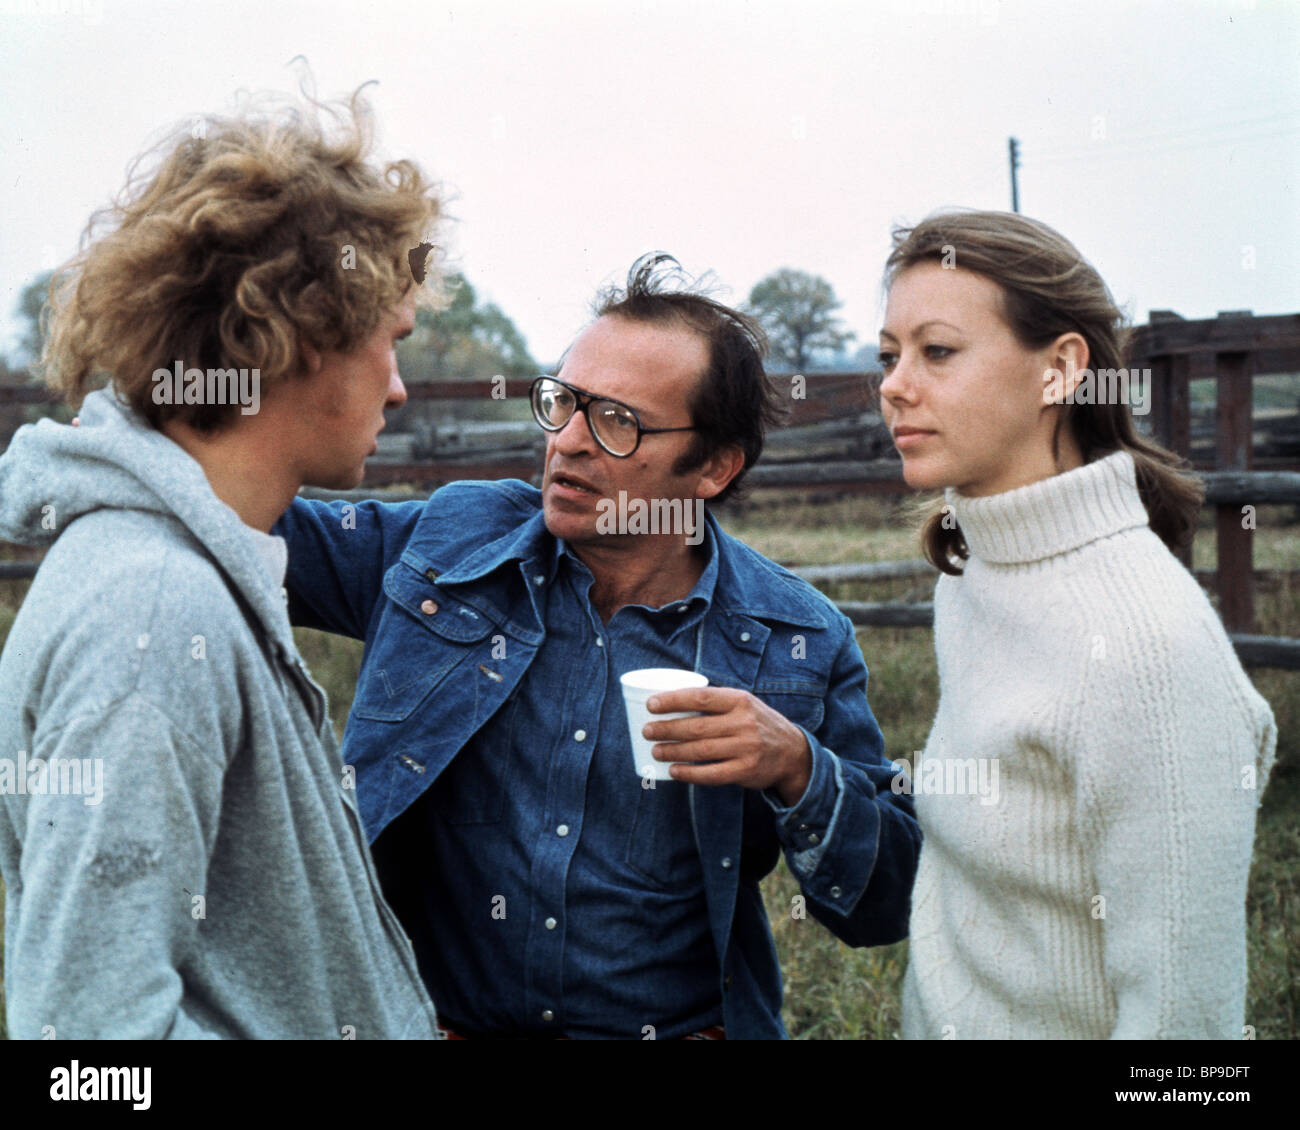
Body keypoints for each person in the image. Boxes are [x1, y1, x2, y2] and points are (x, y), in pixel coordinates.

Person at [273, 253, 922, 1039]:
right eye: (563, 404)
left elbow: (887, 899)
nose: (569, 443)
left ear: (713, 466)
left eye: (617, 421)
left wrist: (798, 769)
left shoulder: (799, 640)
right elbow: (245, 519)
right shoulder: (447, 541)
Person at [0, 86, 447, 1038]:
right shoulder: (155, 613)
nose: (400, 388)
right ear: (305, 333)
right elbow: (89, 1042)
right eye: (390, 341)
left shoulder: (182, 571)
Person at [876, 209, 1278, 1039]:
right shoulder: (973, 572)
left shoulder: (1147, 649)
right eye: (890, 355)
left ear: (1060, 371)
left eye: (937, 351)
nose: (894, 384)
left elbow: (1184, 1033)